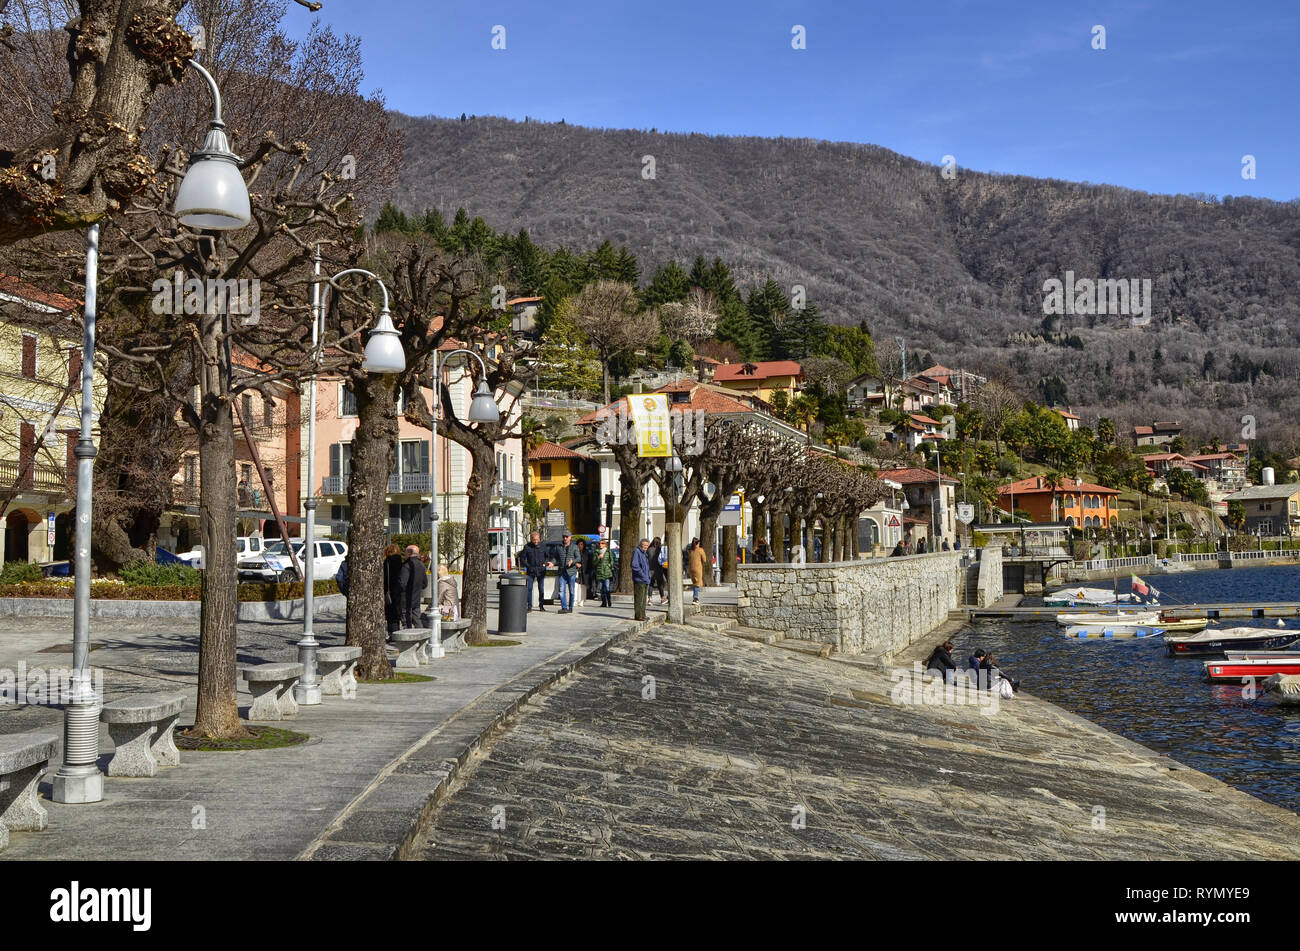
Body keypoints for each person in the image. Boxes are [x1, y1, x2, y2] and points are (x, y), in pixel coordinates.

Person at [518, 531, 551, 611]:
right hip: (531, 570)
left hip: (541, 570)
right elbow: (522, 559)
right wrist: (528, 566)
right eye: (534, 540)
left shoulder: (543, 546)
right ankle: (529, 606)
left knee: (541, 588)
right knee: (529, 588)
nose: (536, 541)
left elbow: (548, 556)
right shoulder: (527, 547)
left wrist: (545, 563)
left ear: (539, 538)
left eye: (537, 539)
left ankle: (541, 605)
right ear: (531, 539)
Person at [399, 544, 428, 629]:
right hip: (416, 597)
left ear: (408, 553)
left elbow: (402, 583)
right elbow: (425, 583)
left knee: (406, 622)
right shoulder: (421, 565)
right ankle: (421, 639)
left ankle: (408, 638)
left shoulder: (406, 565)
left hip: (405, 598)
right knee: (417, 620)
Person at [555, 531, 581, 613]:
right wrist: (552, 562)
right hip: (562, 571)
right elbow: (555, 558)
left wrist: (572, 561)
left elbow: (578, 558)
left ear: (570, 537)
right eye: (564, 537)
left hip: (571, 572)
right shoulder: (558, 547)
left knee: (571, 590)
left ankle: (570, 607)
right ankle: (564, 608)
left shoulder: (574, 547)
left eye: (566, 536)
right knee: (562, 590)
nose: (565, 538)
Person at [382, 543, 405, 634]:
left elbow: (385, 577)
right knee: (396, 613)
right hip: (399, 591)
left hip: (389, 591)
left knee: (390, 614)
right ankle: (396, 632)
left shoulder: (387, 562)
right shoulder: (401, 562)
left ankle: (392, 633)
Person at [631, 537, 652, 621]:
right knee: (639, 598)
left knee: (643, 599)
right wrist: (643, 575)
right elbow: (635, 565)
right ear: (641, 545)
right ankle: (638, 615)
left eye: (647, 545)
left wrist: (648, 577)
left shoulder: (644, 553)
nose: (646, 547)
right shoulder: (637, 552)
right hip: (639, 579)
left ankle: (643, 614)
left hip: (645, 579)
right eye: (644, 545)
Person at [592, 537, 615, 608]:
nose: (600, 545)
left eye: (602, 543)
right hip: (599, 572)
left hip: (607, 572)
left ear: (605, 545)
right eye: (599, 543)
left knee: (607, 588)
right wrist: (598, 557)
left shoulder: (608, 552)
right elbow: (594, 562)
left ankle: (609, 601)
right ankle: (604, 603)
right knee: (601, 589)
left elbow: (612, 561)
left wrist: (608, 565)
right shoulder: (596, 552)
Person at [688, 536, 708, 604]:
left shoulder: (691, 551)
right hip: (698, 569)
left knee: (694, 583)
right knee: (697, 583)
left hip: (691, 569)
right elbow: (704, 560)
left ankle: (695, 597)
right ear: (698, 543)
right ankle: (695, 598)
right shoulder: (700, 550)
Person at [648, 536, 667, 604]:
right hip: (658, 569)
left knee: (651, 584)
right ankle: (662, 598)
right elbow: (663, 559)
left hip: (650, 569)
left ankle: (650, 599)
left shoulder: (649, 549)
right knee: (660, 584)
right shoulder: (660, 549)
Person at [574, 536, 591, 606]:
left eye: (581, 544)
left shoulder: (587, 553)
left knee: (583, 587)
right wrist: (576, 564)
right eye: (579, 544)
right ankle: (575, 600)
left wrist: (588, 571)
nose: (580, 546)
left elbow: (589, 563)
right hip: (576, 571)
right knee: (575, 586)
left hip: (584, 572)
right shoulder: (574, 552)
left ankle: (582, 600)